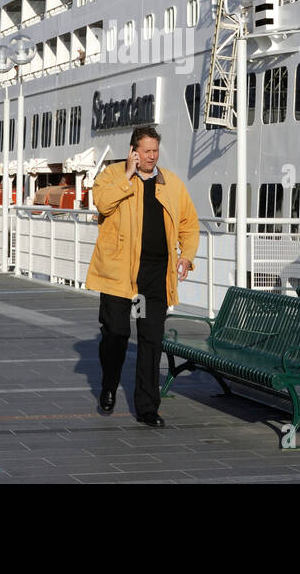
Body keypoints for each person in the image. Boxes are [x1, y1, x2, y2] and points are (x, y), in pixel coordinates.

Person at [86, 126, 199, 427]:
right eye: (146, 151)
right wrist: (127, 175)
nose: (152, 157)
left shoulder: (171, 184)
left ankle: (148, 407)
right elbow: (102, 203)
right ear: (133, 151)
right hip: (119, 271)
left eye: (155, 151)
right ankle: (109, 384)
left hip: (154, 275)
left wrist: (186, 256)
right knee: (116, 332)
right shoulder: (111, 176)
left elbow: (189, 223)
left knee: (151, 339)